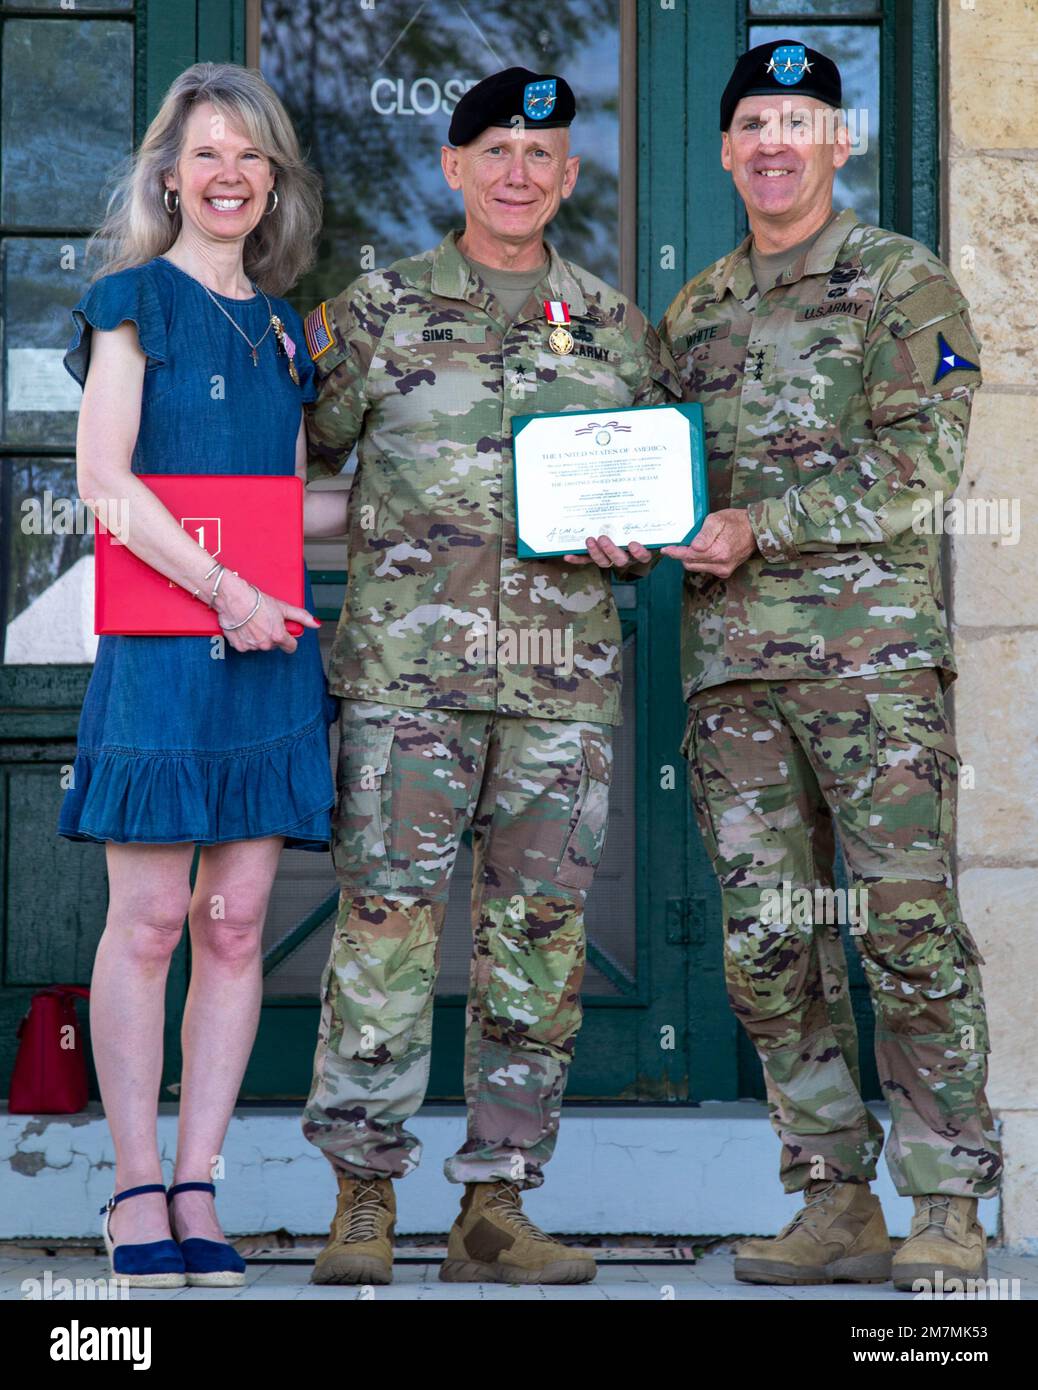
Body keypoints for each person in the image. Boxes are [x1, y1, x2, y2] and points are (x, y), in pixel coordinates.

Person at [301, 66, 680, 1286]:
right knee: (386, 926)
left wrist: (641, 538)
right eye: (496, 150)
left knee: (539, 941)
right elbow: (292, 465)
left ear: (568, 177)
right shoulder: (376, 313)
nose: (519, 171)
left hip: (561, 686)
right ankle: (362, 1193)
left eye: (543, 153)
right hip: (410, 679)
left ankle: (494, 1208)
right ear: (453, 168)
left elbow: (654, 491)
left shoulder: (620, 331)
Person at [658, 40, 1001, 1289]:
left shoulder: (902, 285)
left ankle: (952, 1198)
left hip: (873, 676)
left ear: (838, 144)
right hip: (733, 680)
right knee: (765, 946)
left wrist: (763, 524)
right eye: (752, 123)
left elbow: (921, 470)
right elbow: (658, 470)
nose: (772, 144)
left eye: (797, 123)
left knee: (906, 933)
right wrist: (625, 520)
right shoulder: (693, 312)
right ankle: (833, 1195)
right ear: (725, 151)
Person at [59, 63, 348, 1287]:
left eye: (252, 157)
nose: (229, 176)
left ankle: (198, 1185)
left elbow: (292, 508)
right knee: (152, 921)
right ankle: (131, 1185)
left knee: (236, 932)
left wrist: (463, 502)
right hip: (166, 648)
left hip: (264, 651)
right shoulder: (128, 303)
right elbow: (106, 485)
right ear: (169, 176)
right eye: (207, 155)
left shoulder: (287, 327)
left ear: (272, 183)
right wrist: (222, 592)